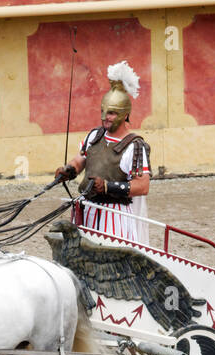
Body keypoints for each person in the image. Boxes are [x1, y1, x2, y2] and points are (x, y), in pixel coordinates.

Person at [54, 61, 150, 243]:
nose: (106, 117)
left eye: (112, 113)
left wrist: (107, 186)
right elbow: (81, 159)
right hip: (86, 210)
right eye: (103, 111)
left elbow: (142, 186)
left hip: (115, 216)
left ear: (125, 114)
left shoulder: (134, 146)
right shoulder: (95, 135)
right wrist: (69, 170)